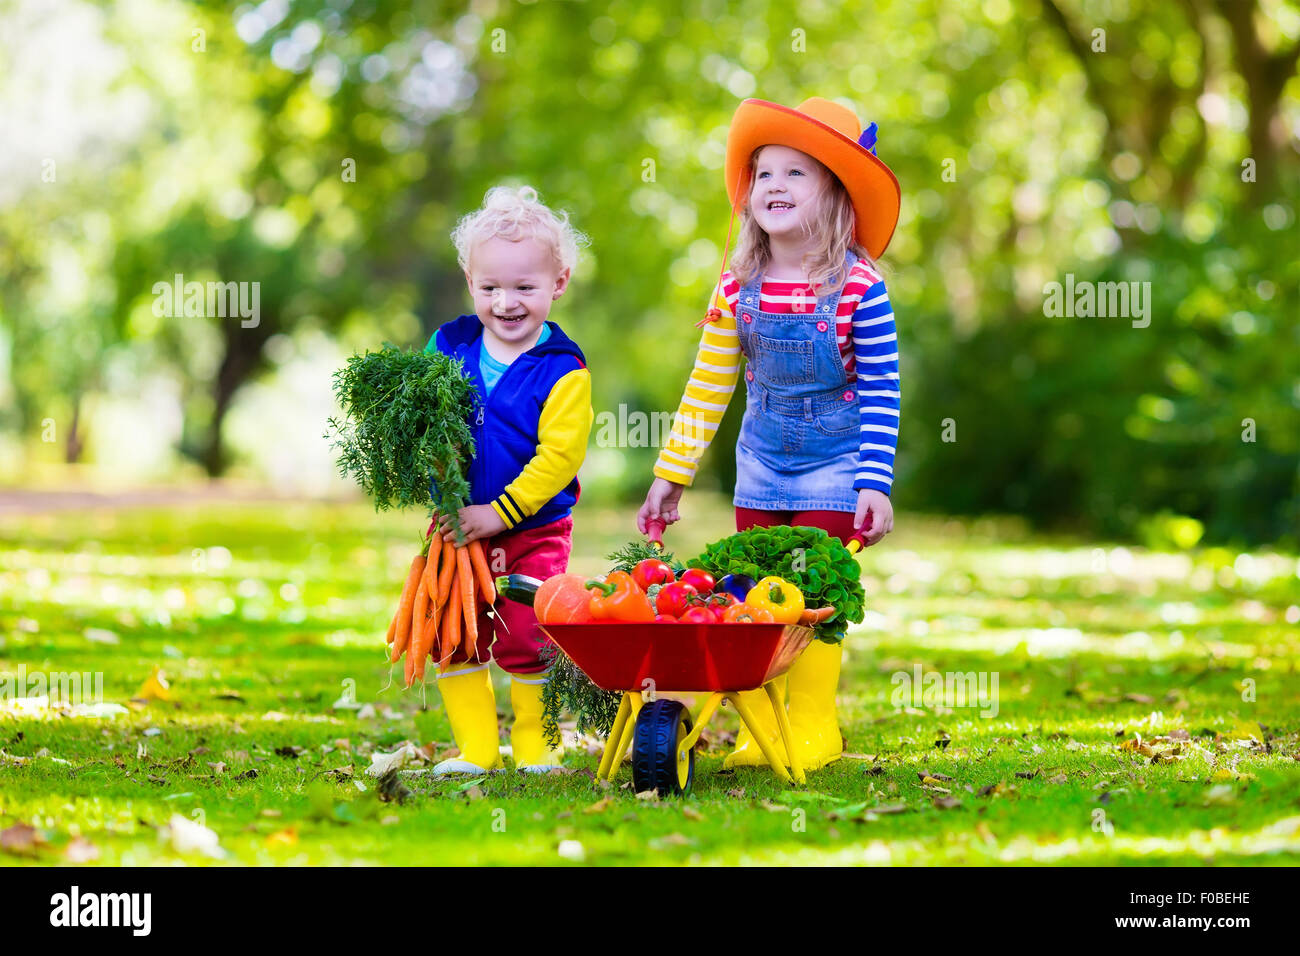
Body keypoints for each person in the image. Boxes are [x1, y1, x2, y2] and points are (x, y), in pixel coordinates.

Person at [636, 97, 902, 771]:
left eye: (796, 174)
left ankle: (813, 726)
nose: (774, 187)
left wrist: (874, 482)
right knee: (757, 594)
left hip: (837, 468)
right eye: (764, 174)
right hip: (760, 465)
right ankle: (767, 727)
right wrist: (672, 475)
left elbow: (881, 390)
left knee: (815, 598)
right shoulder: (738, 286)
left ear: (836, 193)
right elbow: (708, 386)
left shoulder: (860, 289)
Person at [426, 185, 593, 775]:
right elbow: (425, 427)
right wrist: (443, 498)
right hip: (454, 529)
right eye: (490, 287)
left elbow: (557, 461)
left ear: (559, 283)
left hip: (532, 529)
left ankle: (537, 748)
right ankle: (475, 752)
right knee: (454, 631)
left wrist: (496, 515)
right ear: (470, 281)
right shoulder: (448, 347)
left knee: (528, 634)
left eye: (525, 287)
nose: (507, 302)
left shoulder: (563, 371)